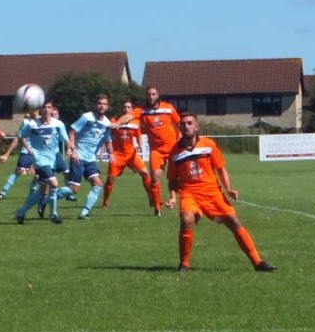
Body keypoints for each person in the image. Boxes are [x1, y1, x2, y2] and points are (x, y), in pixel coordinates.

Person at [165, 113, 275, 273]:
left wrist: (229, 189)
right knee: (186, 219)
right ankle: (184, 264)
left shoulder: (208, 144)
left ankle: (258, 263)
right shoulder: (175, 152)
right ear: (179, 127)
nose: (186, 126)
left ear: (196, 126)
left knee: (234, 221)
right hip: (190, 193)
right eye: (183, 124)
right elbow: (172, 180)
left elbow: (221, 169)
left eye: (189, 123)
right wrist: (173, 198)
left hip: (212, 193)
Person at [13, 100, 69, 224]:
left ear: (52, 109)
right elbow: (21, 136)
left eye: (49, 107)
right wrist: (28, 148)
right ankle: (53, 214)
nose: (46, 109)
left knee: (42, 190)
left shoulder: (58, 124)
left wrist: (71, 147)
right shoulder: (32, 124)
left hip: (53, 158)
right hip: (39, 159)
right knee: (54, 183)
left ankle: (21, 212)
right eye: (44, 107)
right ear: (40, 110)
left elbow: (65, 139)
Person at [66, 93, 114, 218]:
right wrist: (73, 150)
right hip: (78, 156)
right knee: (74, 190)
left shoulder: (107, 123)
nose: (101, 106)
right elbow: (72, 132)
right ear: (95, 105)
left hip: (90, 159)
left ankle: (84, 213)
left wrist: (112, 153)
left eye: (104, 104)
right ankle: (49, 198)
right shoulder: (87, 117)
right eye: (99, 104)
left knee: (98, 185)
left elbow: (108, 140)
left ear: (107, 107)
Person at [102, 98, 153, 210]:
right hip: (118, 155)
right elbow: (107, 136)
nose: (126, 109)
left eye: (129, 107)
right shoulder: (115, 120)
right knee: (110, 179)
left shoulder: (136, 122)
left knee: (145, 173)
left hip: (131, 154)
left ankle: (151, 198)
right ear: (122, 109)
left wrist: (140, 146)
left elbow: (138, 135)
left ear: (132, 109)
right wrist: (104, 151)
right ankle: (105, 202)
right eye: (124, 107)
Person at [141, 86, 182, 215]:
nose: (151, 97)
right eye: (149, 94)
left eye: (153, 94)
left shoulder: (168, 108)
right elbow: (131, 117)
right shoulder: (143, 111)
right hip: (156, 150)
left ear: (158, 95)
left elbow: (179, 122)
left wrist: (180, 137)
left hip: (172, 148)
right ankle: (157, 207)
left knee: (174, 176)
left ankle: (174, 199)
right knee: (155, 178)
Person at [0, 110, 39, 199]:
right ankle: (3, 192)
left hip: (41, 153)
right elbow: (17, 138)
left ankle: (31, 197)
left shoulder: (44, 122)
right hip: (27, 152)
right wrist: (7, 154)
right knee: (19, 171)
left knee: (38, 175)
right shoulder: (26, 122)